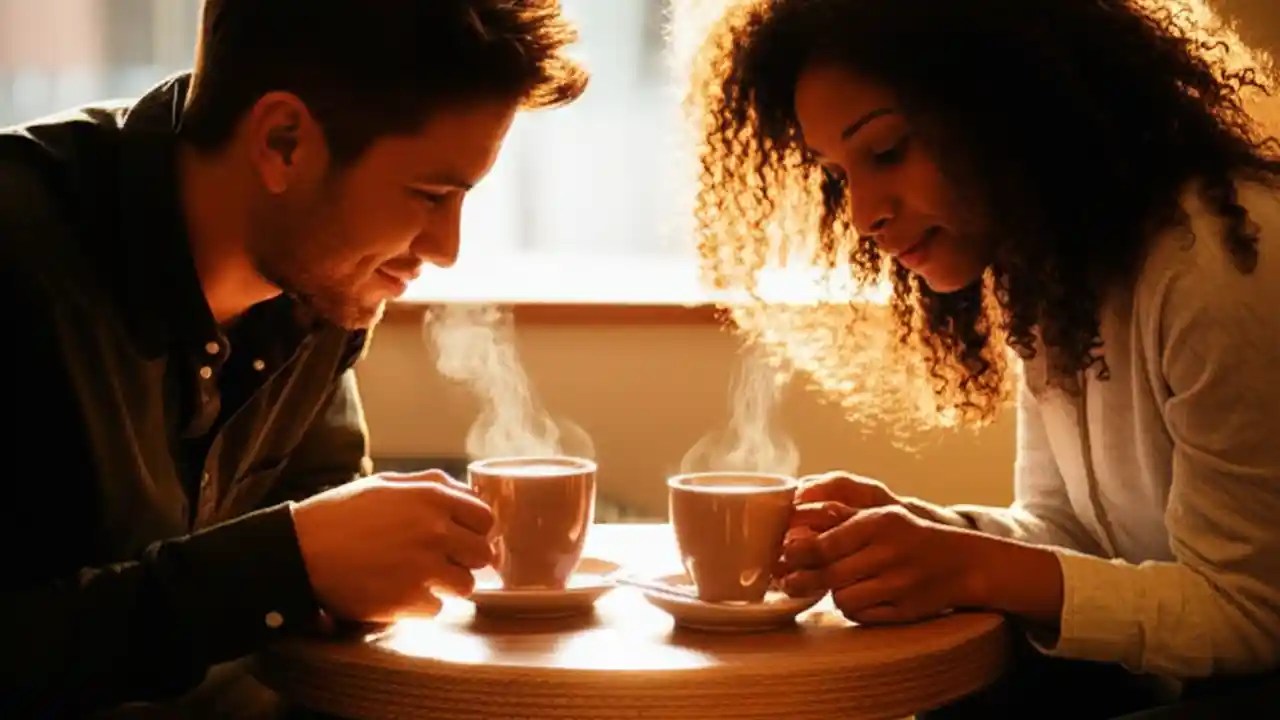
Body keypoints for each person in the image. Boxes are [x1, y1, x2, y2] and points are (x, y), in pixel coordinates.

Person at [688, 0, 1280, 716]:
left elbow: (1252, 614)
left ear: (1007, 104)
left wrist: (971, 567)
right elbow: (1072, 538)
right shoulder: (1055, 272)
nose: (864, 215)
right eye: (840, 175)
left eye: (887, 151)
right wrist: (927, 537)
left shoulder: (1218, 267)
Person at [0, 0, 587, 716]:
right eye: (430, 196)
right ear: (283, 142)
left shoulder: (316, 284)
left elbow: (324, 529)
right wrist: (282, 568)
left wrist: (367, 562)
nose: (446, 249)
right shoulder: (20, 255)